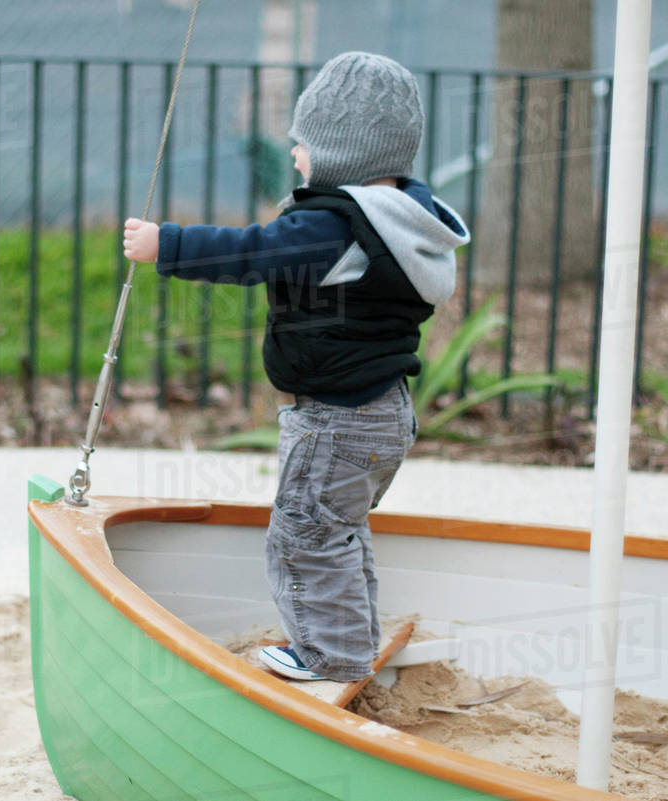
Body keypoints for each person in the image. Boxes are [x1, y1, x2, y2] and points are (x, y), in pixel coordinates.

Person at [122, 51, 469, 682]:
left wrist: (165, 244)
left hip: (337, 418)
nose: (294, 154)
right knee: (337, 530)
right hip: (381, 411)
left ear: (343, 153)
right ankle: (349, 642)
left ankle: (330, 656)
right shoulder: (400, 223)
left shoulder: (332, 226)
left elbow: (252, 252)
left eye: (304, 143)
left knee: (305, 533)